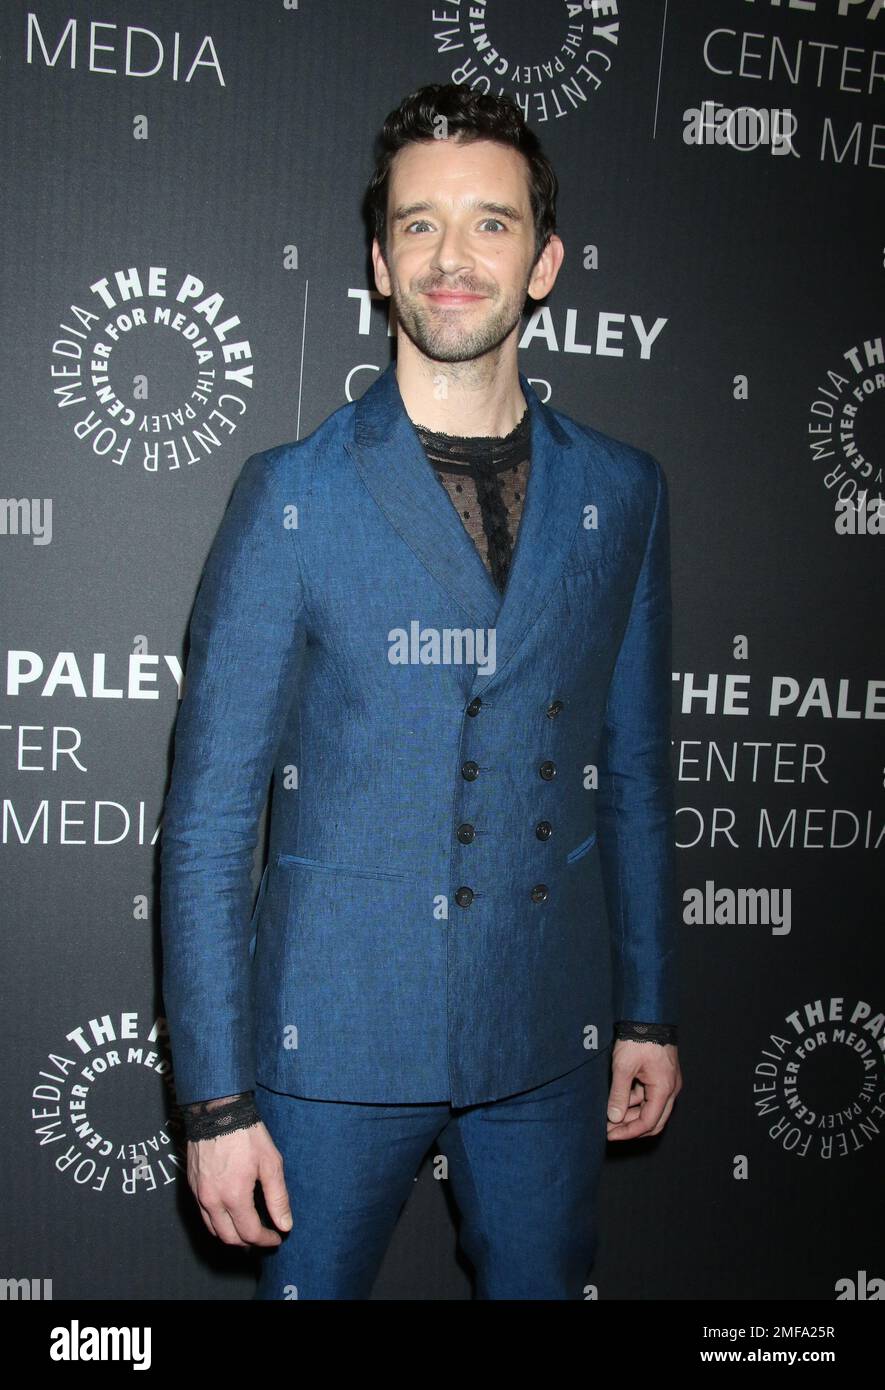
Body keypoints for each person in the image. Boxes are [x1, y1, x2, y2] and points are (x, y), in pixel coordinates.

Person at [160, 82, 683, 1300]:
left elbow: (640, 771)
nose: (453, 257)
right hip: (327, 1042)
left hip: (545, 1041)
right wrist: (216, 1097)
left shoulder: (626, 493)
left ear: (545, 263)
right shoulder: (291, 495)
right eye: (418, 226)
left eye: (491, 223)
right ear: (381, 267)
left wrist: (649, 1009)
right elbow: (208, 824)